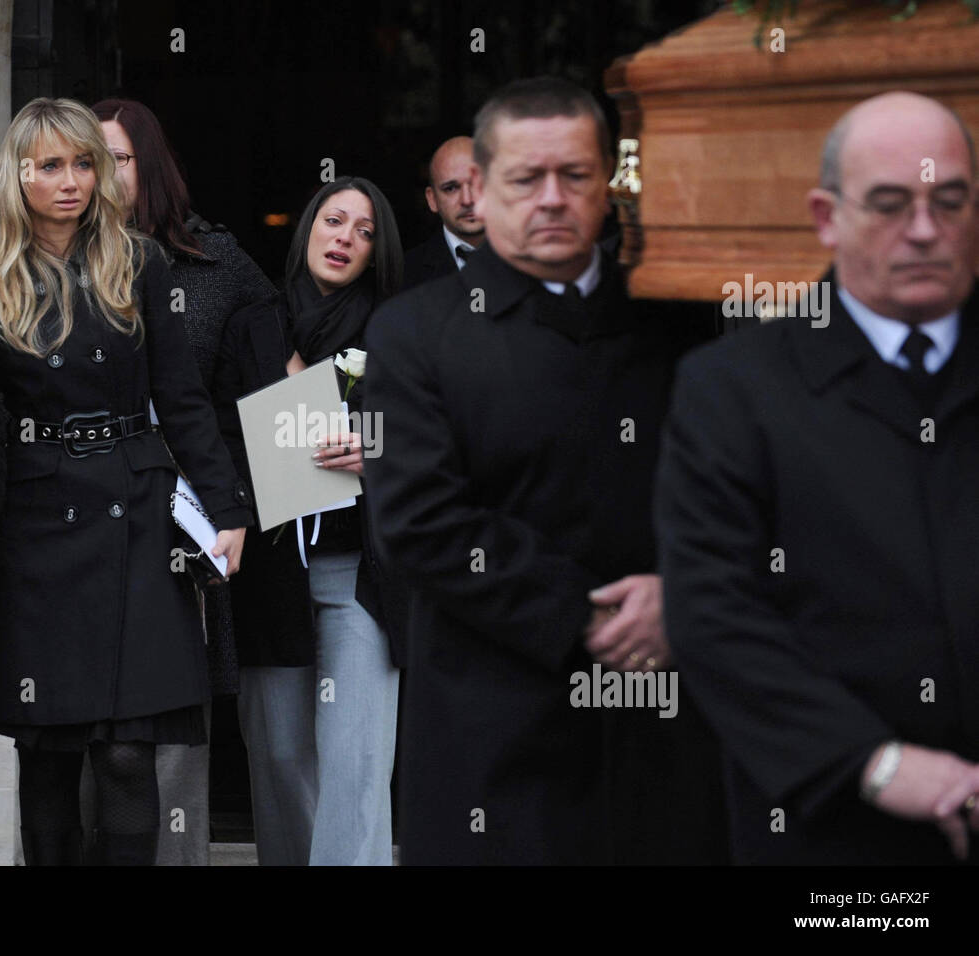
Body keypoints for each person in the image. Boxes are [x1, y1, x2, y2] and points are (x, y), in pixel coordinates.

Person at [364, 76, 724, 865]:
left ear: (609, 185)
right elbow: (418, 521)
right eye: (528, 179)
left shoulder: (682, 320)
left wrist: (684, 596)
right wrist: (590, 616)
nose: (553, 199)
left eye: (576, 176)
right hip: (493, 738)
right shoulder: (415, 334)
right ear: (481, 193)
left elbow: (747, 493)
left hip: (666, 728)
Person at [656, 91, 979, 865]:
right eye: (891, 204)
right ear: (827, 216)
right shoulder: (732, 390)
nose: (926, 230)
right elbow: (714, 614)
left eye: (951, 200)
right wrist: (874, 763)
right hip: (831, 833)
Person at [0, 97, 252, 866]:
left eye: (84, 163)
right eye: (51, 165)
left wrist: (227, 508)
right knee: (49, 754)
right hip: (32, 528)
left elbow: (184, 399)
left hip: (135, 512)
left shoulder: (140, 262)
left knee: (128, 754)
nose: (71, 181)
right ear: (18, 173)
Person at [91, 95, 275, 866]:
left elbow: (274, 383)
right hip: (71, 524)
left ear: (152, 165)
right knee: (72, 734)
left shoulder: (216, 260)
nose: (102, 175)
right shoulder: (46, 258)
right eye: (87, 158)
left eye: (120, 159)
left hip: (182, 522)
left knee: (168, 736)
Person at [213, 176, 406, 866]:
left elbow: (445, 436)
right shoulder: (253, 321)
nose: (345, 238)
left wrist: (378, 447)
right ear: (307, 231)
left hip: (361, 575)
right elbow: (217, 434)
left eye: (364, 230)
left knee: (355, 758)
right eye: (333, 220)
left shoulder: (400, 327)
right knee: (281, 756)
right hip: (271, 567)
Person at [401, 136, 484, 290]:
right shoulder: (404, 275)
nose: (467, 200)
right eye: (451, 188)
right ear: (432, 199)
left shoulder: (535, 262)